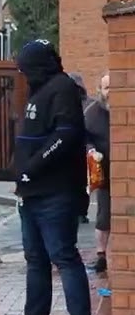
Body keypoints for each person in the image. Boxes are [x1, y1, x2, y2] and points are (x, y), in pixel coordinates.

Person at [8, 40, 95, 315]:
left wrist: (33, 167)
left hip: (55, 192)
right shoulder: (39, 88)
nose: (24, 76)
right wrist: (19, 171)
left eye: (26, 69)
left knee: (64, 256)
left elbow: (65, 135)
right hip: (31, 192)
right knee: (36, 260)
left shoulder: (62, 89)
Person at [86, 72, 111, 273]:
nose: (110, 92)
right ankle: (101, 255)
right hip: (105, 172)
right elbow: (84, 138)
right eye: (106, 88)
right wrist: (91, 150)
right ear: (100, 91)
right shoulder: (92, 113)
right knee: (103, 216)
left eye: (113, 87)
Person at [70, 72, 94, 223]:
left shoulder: (90, 104)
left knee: (82, 184)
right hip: (69, 148)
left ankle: (80, 212)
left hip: (84, 147)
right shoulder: (63, 104)